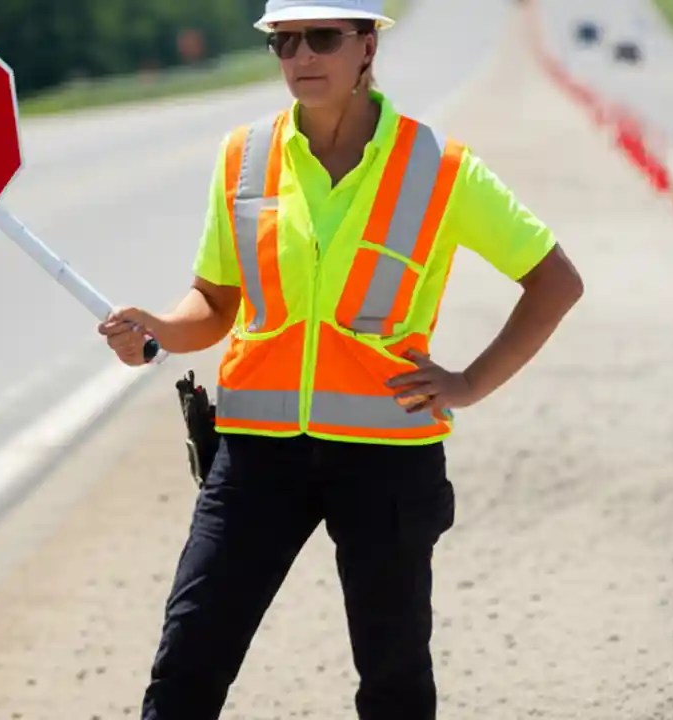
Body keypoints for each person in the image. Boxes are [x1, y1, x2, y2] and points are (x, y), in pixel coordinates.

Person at [98, 0, 584, 717]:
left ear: (367, 47)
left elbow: (555, 281)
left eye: (322, 38)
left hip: (385, 462)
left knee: (393, 685)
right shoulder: (243, 157)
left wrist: (470, 382)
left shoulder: (440, 169)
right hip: (256, 458)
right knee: (187, 666)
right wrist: (159, 328)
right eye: (284, 41)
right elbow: (217, 302)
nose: (301, 57)